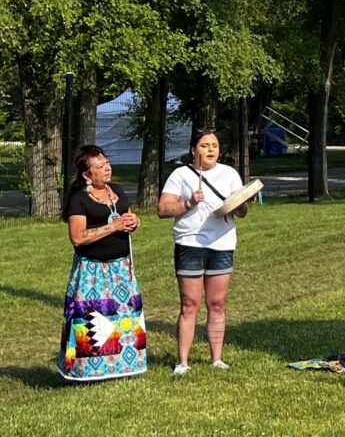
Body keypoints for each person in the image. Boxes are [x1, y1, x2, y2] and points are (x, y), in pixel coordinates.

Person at [158, 129, 247, 376]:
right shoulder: (181, 175)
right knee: (190, 304)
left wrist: (239, 205)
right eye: (205, 145)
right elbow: (163, 209)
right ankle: (183, 362)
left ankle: (216, 359)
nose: (210, 150)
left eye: (215, 145)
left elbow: (241, 212)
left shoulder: (229, 174)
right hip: (190, 243)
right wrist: (188, 203)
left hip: (222, 243)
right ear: (194, 149)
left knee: (217, 303)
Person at [57, 145, 146, 381]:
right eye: (99, 166)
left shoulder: (115, 190)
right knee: (94, 321)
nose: (106, 168)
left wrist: (133, 221)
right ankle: (88, 370)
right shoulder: (79, 199)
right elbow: (77, 237)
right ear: (87, 174)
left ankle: (123, 367)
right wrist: (112, 227)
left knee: (123, 318)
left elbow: (126, 215)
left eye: (106, 162)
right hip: (93, 271)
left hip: (121, 269)